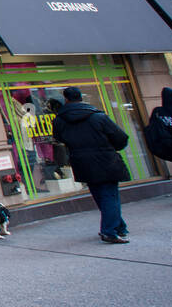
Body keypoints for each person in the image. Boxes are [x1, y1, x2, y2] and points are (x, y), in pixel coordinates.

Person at [51, 86, 131, 243]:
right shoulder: (98, 117)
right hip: (105, 160)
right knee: (109, 196)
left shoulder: (59, 120)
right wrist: (110, 148)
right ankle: (109, 231)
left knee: (101, 196)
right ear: (81, 97)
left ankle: (118, 227)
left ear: (66, 99)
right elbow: (120, 137)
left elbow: (59, 139)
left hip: (81, 162)